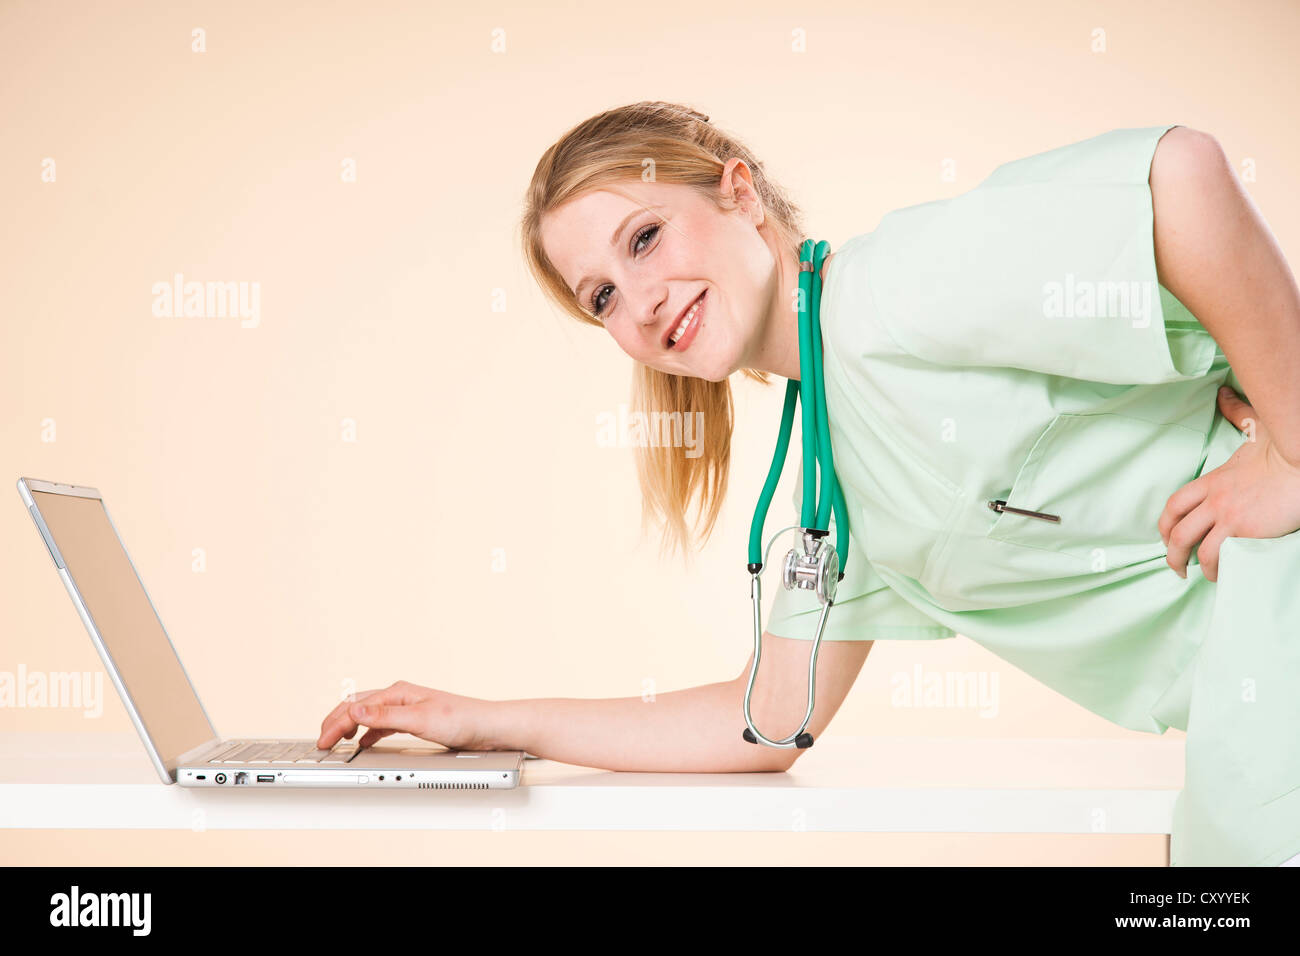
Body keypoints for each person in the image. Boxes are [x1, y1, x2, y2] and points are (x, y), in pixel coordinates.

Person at [316, 102, 1300, 866]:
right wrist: (481, 721)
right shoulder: (826, 461)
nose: (641, 301)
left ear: (738, 192)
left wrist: (1293, 445)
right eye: (603, 296)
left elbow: (1179, 175)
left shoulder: (901, 286)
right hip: (1250, 722)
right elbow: (768, 718)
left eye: (645, 236)